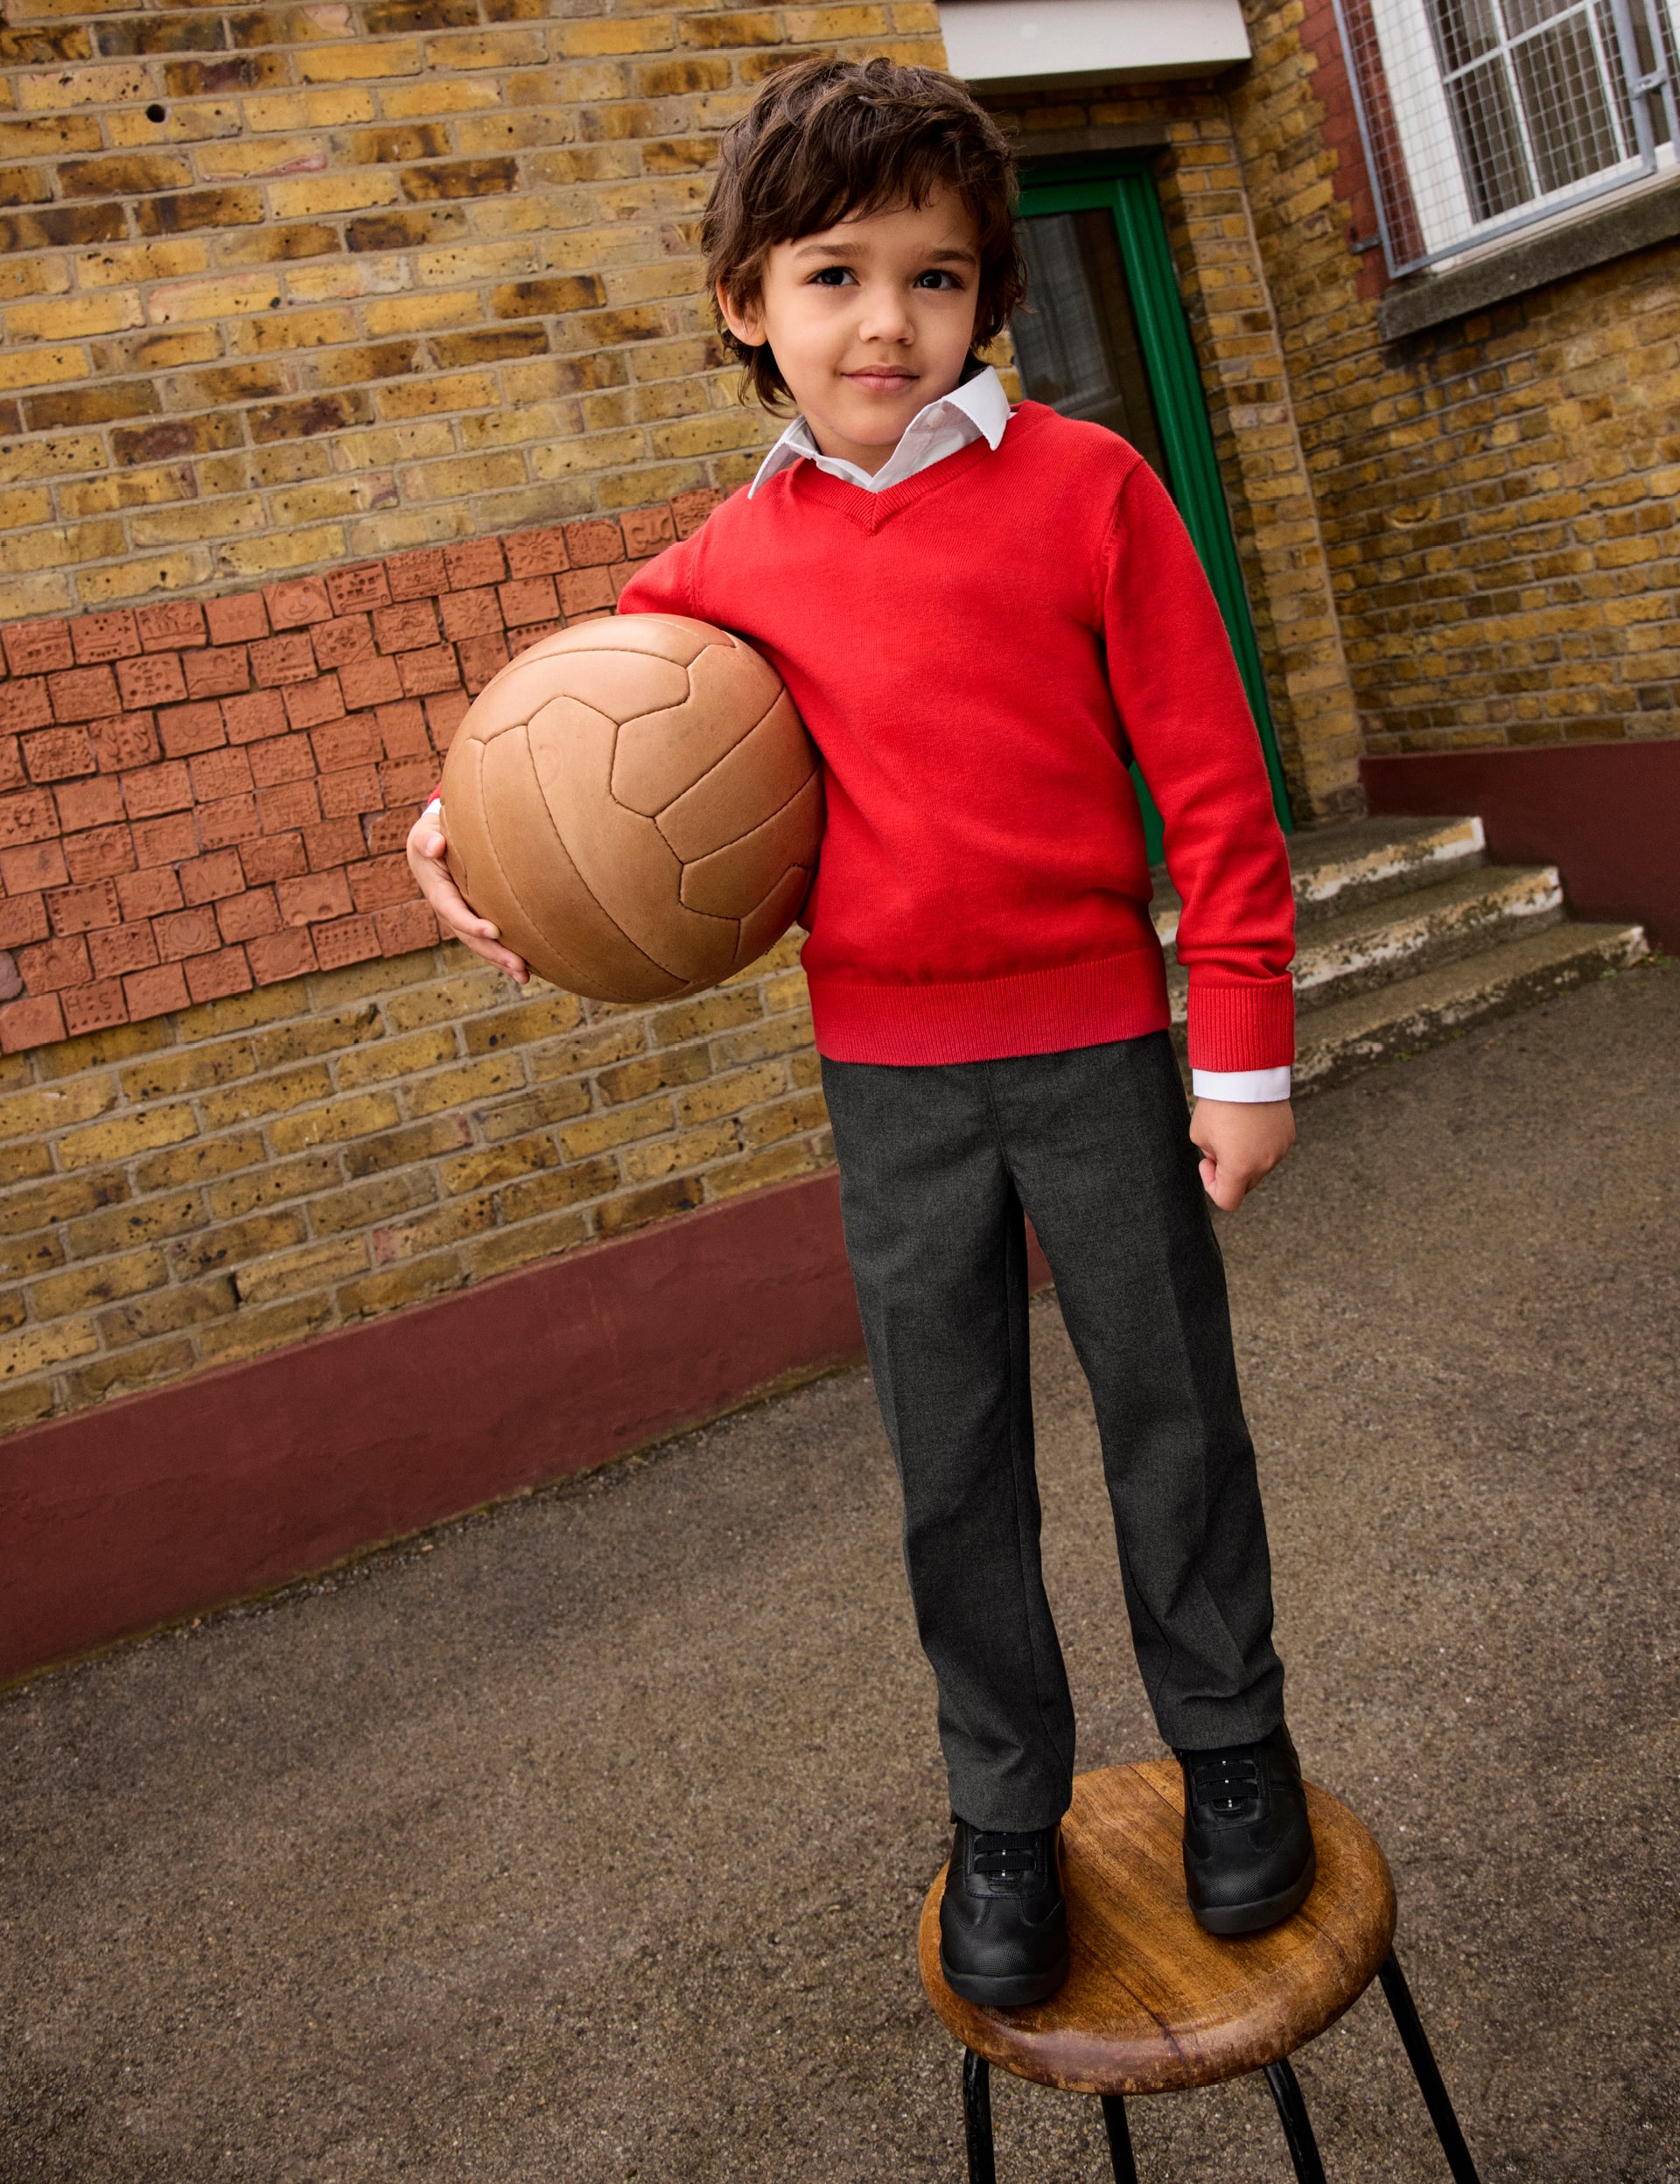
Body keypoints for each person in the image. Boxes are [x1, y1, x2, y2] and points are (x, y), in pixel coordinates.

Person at [409, 55, 1314, 2009]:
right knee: (950, 1459)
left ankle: (1235, 1747)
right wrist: (448, 822)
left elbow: (1220, 791)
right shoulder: (727, 567)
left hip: (1097, 1055)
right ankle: (1005, 1805)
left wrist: (1238, 1049)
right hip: (890, 1082)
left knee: (1172, 1419)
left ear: (987, 294)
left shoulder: (1092, 494)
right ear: (749, 303)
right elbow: (570, 731)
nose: (886, 319)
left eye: (933, 274)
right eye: (832, 275)